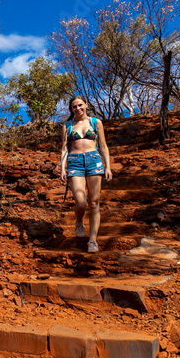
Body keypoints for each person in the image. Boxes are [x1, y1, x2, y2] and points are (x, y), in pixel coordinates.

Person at [58, 96, 112, 252]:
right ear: (71, 109)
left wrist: (107, 167)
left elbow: (103, 146)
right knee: (81, 202)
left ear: (86, 105)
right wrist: (63, 168)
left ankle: (92, 240)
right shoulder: (67, 125)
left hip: (94, 161)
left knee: (94, 203)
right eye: (74, 107)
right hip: (75, 162)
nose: (78, 108)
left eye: (80, 105)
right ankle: (79, 220)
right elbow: (64, 148)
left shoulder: (96, 123)